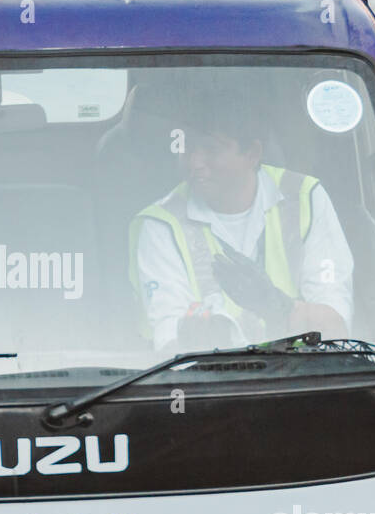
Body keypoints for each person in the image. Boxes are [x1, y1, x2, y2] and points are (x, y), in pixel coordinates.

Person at [130, 109, 353, 351]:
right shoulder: (161, 224)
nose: (195, 162)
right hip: (210, 384)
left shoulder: (304, 198)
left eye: (211, 149)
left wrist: (279, 307)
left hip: (304, 376)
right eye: (188, 148)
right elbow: (170, 342)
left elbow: (335, 330)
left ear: (252, 154)